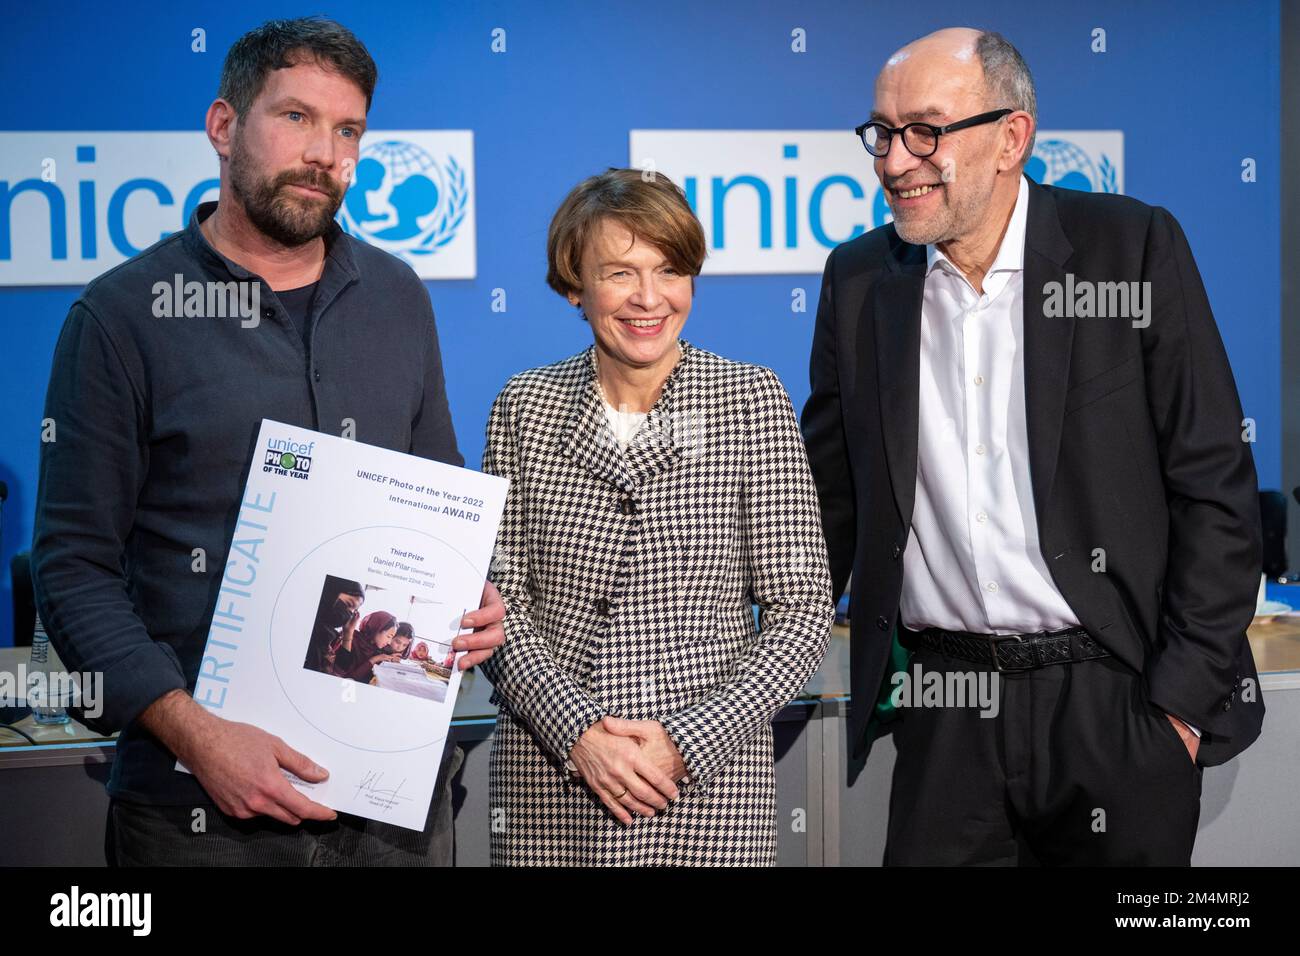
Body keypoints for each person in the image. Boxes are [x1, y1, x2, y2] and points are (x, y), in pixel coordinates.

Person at [30, 17, 504, 867]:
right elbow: (73, 570)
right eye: (295, 118)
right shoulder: (122, 318)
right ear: (223, 126)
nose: (325, 152)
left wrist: (471, 592)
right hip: (198, 812)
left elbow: (438, 488)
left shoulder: (398, 296)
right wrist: (198, 736)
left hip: (391, 808)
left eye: (348, 129)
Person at [801, 27, 1264, 865]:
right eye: (882, 132)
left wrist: (1177, 713)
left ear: (1012, 137)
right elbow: (829, 500)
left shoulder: (1130, 246)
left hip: (1116, 700)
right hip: (946, 701)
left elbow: (1215, 485)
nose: (895, 162)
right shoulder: (860, 279)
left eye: (926, 131)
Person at [479, 168, 834, 866]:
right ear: (574, 284)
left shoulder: (749, 401)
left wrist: (685, 743)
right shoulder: (524, 406)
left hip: (705, 797)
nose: (649, 298)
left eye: (669, 270)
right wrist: (579, 732)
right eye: (619, 272)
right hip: (552, 791)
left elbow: (801, 612)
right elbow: (498, 604)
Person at [303, 576, 364, 674]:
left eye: (352, 611)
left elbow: (341, 668)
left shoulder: (326, 635)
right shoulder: (308, 630)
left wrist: (348, 632)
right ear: (329, 593)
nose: (348, 615)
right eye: (348, 604)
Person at [335, 611, 401, 682]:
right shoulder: (351, 639)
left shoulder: (376, 647)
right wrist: (373, 660)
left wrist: (390, 659)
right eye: (388, 636)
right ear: (376, 629)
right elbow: (347, 678)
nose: (389, 642)